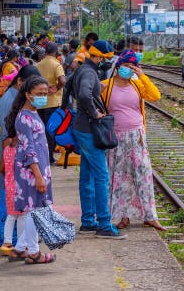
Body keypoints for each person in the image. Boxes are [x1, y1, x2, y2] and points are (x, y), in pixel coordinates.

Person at [101, 51, 164, 231]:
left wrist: (142, 76)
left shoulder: (137, 85)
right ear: (118, 66)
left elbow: (155, 96)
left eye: (132, 66)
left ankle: (150, 216)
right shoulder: (106, 86)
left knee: (143, 175)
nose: (129, 69)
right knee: (120, 177)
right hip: (116, 138)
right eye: (126, 66)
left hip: (137, 136)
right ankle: (123, 216)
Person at [66, 39, 122, 239]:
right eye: (106, 58)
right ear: (98, 57)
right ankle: (104, 224)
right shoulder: (89, 72)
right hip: (90, 128)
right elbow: (84, 94)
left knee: (87, 176)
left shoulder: (84, 69)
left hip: (82, 127)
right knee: (101, 176)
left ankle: (88, 221)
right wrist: (94, 113)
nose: (108, 62)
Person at [0, 64, 41, 253]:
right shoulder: (12, 101)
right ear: (20, 82)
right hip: (13, 156)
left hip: (14, 155)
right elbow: (13, 135)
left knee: (13, 204)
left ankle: (13, 239)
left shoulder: (17, 98)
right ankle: (6, 239)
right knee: (11, 203)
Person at [5, 75, 56, 264]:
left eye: (45, 93)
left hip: (38, 169)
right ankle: (33, 252)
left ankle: (19, 250)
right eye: (39, 94)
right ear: (28, 94)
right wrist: (38, 176)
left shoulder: (33, 114)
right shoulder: (25, 118)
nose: (43, 97)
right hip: (31, 172)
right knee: (35, 211)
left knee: (34, 211)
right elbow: (29, 150)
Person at [36, 42, 65, 163]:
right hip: (52, 102)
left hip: (39, 101)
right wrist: (57, 88)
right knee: (51, 130)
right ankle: (49, 157)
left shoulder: (38, 64)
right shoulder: (56, 64)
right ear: (55, 52)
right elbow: (62, 81)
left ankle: (40, 155)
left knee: (40, 130)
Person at [0, 134, 22, 256]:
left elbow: (1, 168)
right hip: (21, 187)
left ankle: (7, 243)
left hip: (9, 186)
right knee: (22, 216)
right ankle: (21, 244)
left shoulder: (7, 149)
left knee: (11, 215)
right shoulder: (21, 150)